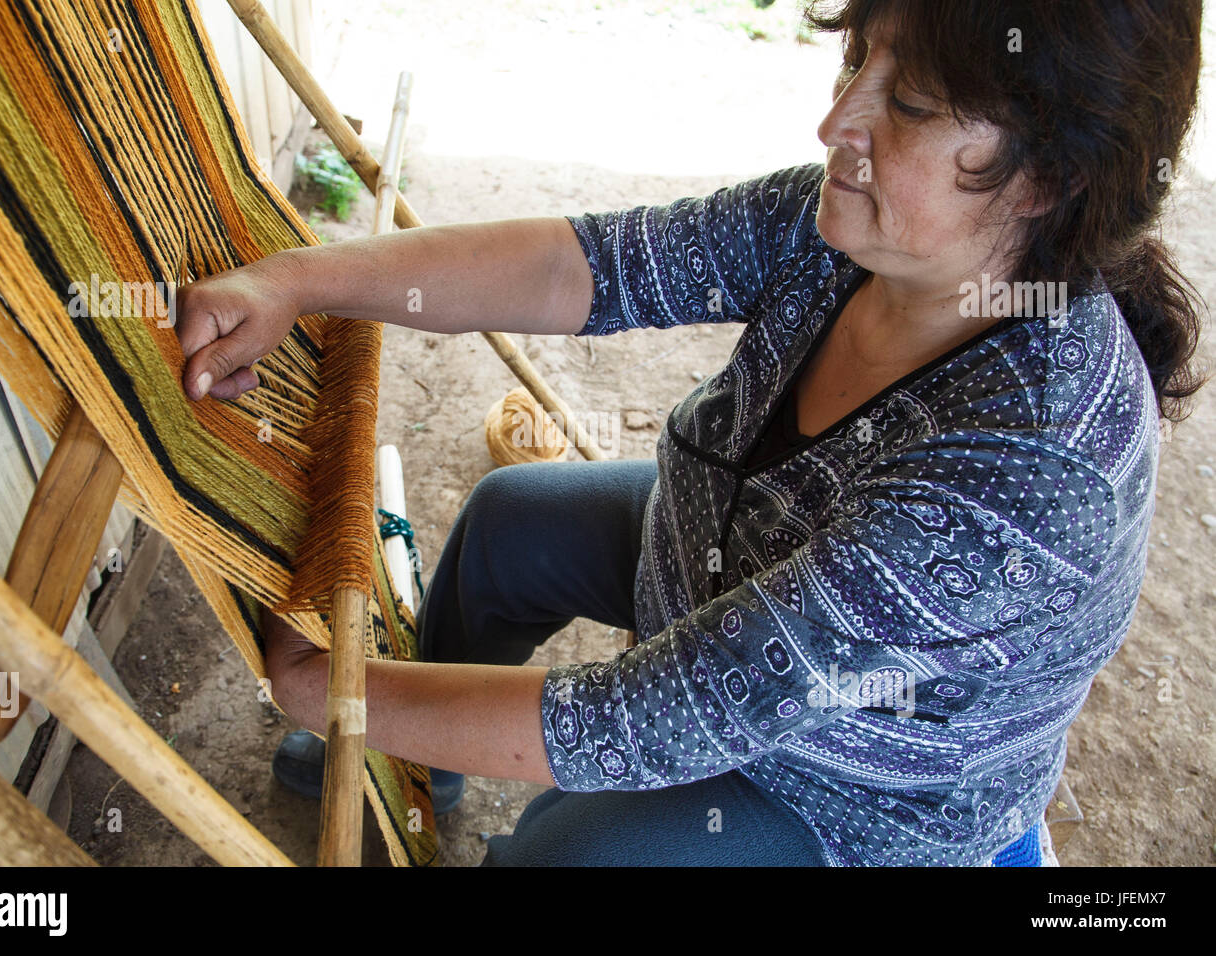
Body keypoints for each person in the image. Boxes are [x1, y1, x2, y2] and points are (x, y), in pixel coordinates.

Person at [173, 0, 1205, 865]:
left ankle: (395, 746)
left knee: (559, 851)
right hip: (717, 567)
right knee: (508, 523)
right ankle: (412, 774)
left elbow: (661, 712)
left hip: (843, 786)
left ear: (1049, 178)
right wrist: (301, 279)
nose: (834, 122)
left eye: (910, 103)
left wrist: (334, 688)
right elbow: (585, 266)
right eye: (859, 61)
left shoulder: (1030, 464)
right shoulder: (840, 233)